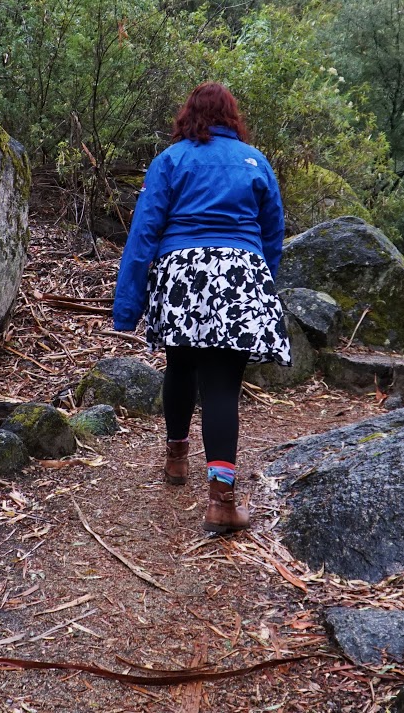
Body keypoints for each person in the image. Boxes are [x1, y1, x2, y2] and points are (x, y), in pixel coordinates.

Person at [111, 82, 288, 534]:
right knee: (222, 387)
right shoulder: (255, 161)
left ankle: (176, 459)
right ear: (232, 117)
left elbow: (143, 235)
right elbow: (272, 235)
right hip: (239, 272)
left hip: (179, 273)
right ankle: (222, 502)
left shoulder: (171, 159)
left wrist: (127, 307)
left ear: (187, 116)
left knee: (180, 366)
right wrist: (257, 278)